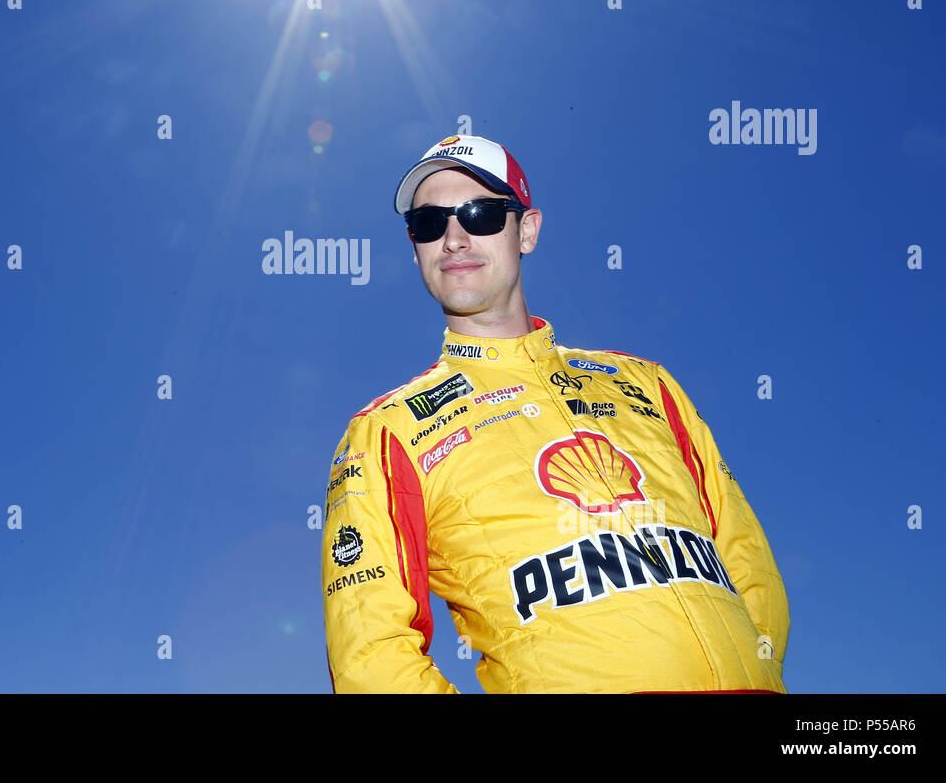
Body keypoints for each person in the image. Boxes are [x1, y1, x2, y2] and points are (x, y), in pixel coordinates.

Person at [321, 134, 790, 693]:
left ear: (526, 231)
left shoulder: (649, 383)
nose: (453, 237)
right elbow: (371, 655)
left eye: (481, 213)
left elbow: (745, 558)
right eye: (429, 224)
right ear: (416, 247)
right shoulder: (387, 431)